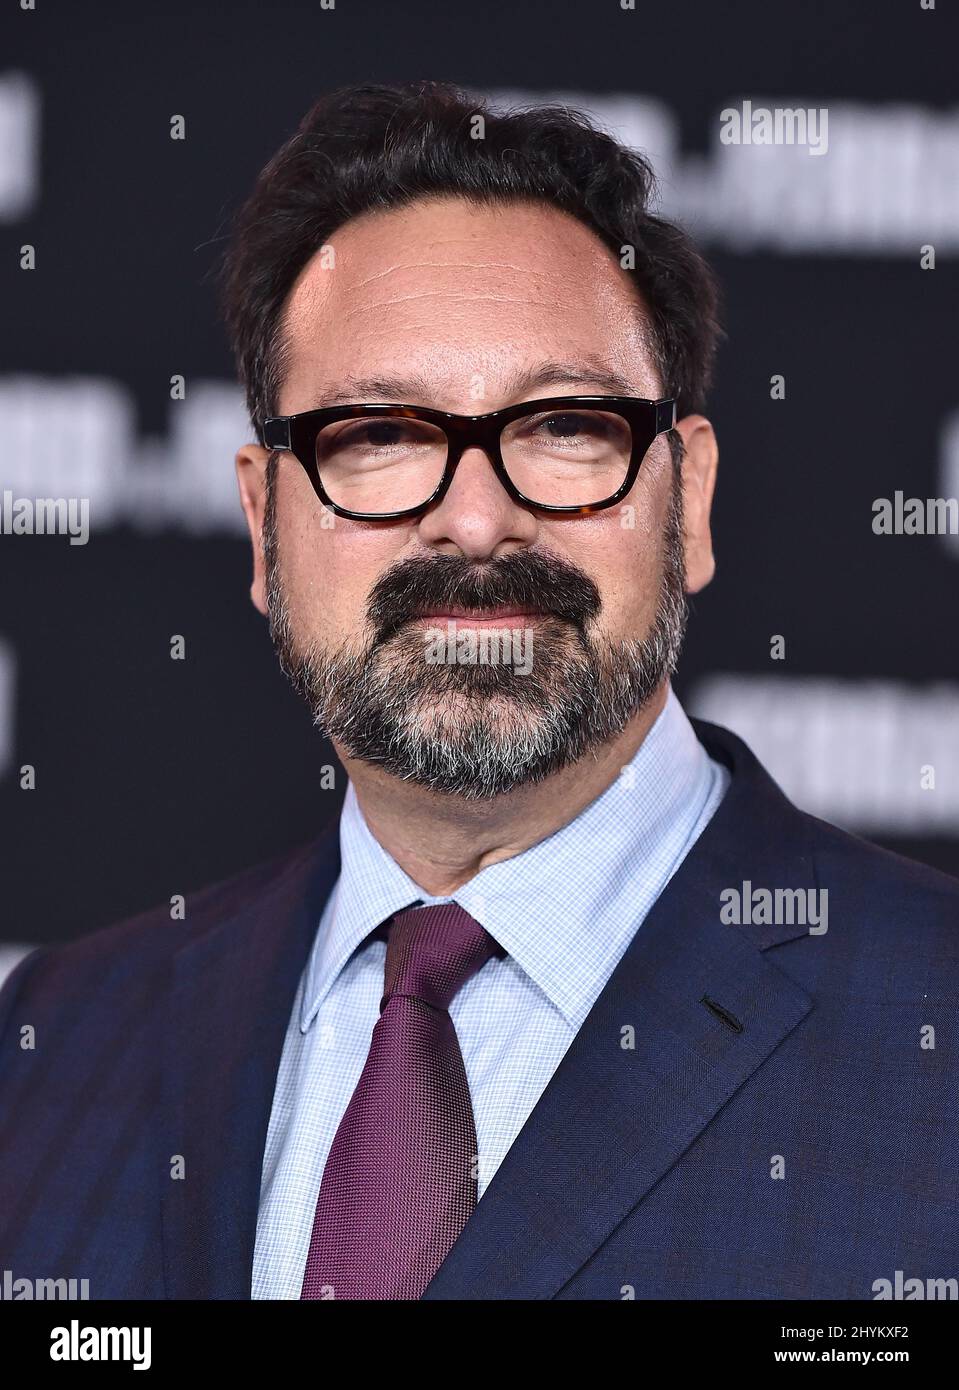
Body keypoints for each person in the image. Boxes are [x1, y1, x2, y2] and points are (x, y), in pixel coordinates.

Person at [1, 80, 956, 1302]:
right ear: (261, 521)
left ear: (691, 499)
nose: (473, 518)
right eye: (377, 436)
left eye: (564, 426)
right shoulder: (59, 1039)